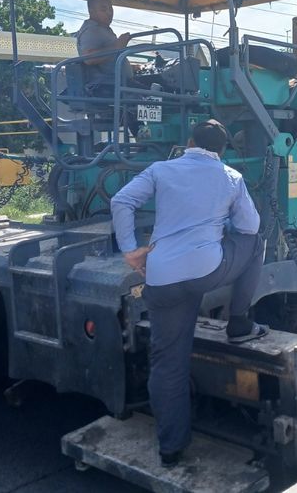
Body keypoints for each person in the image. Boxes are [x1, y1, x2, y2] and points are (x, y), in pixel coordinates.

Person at [110, 119, 267, 467]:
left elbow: (121, 201)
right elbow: (250, 226)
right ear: (222, 150)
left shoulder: (160, 169)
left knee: (168, 363)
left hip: (161, 277)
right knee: (256, 242)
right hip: (206, 270)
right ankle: (239, 322)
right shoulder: (231, 177)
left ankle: (171, 449)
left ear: (189, 142)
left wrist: (130, 250)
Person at [75, 0, 142, 135]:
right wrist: (118, 45)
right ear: (91, 11)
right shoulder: (91, 30)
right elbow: (89, 57)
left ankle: (145, 137)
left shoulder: (102, 29)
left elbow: (110, 57)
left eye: (111, 8)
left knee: (149, 94)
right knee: (152, 98)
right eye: (103, 9)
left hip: (117, 83)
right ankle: (146, 138)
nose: (109, 13)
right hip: (106, 86)